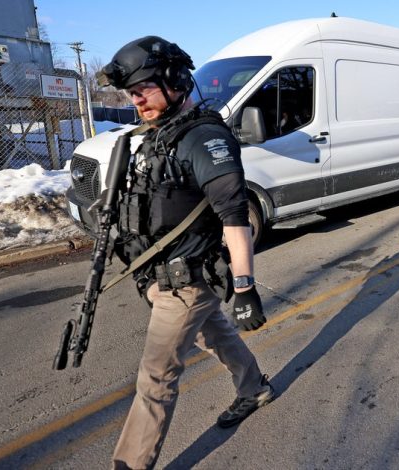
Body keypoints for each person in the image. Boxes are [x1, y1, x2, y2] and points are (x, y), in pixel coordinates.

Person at [98, 36, 274, 469]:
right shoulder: (157, 135)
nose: (136, 99)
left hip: (188, 281)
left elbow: (235, 215)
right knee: (212, 334)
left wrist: (245, 286)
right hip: (160, 276)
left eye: (143, 89)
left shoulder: (204, 139)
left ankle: (130, 464)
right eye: (131, 93)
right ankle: (254, 388)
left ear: (175, 80)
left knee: (155, 378)